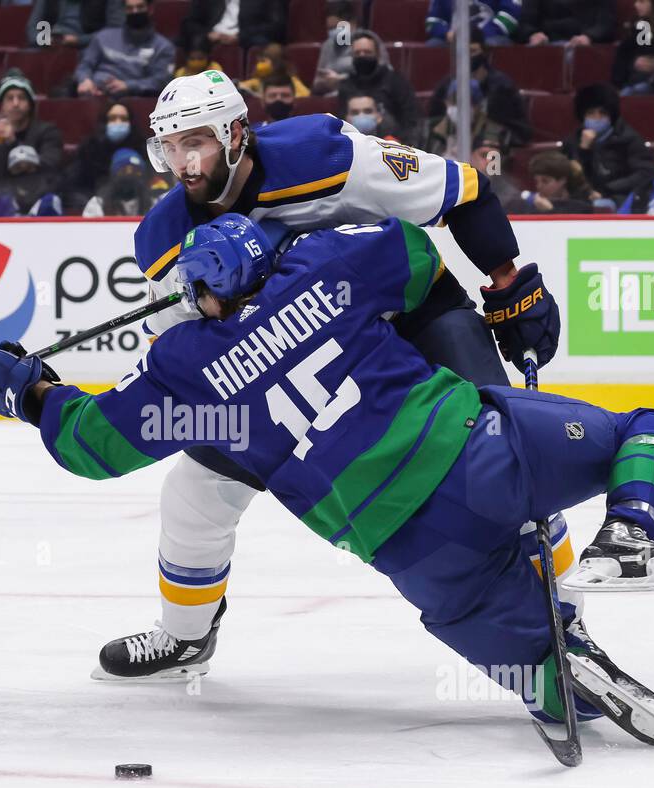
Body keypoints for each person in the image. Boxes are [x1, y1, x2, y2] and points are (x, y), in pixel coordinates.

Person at [0, 213, 654, 752]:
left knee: (527, 663)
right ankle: (630, 529)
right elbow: (415, 255)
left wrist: (30, 392)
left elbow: (94, 447)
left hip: (412, 553)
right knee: (652, 428)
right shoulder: (326, 266)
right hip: (481, 458)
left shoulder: (184, 368)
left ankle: (554, 671)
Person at [103, 70, 569, 679]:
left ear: (237, 132)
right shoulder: (163, 238)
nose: (183, 163)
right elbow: (188, 345)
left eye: (198, 142)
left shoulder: (327, 154)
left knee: (506, 449)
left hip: (408, 318)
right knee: (193, 496)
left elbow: (465, 193)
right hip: (291, 361)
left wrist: (509, 285)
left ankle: (564, 617)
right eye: (171, 146)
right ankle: (185, 637)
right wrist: (205, 310)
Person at [429, 31, 531, 148]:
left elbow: (517, 133)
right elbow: (433, 120)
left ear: (484, 51)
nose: (467, 57)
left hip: (492, 148)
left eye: (472, 51)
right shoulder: (446, 84)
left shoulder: (501, 86)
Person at [561, 83, 653, 212]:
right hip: (582, 198)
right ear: (582, 115)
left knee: (600, 206)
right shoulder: (572, 141)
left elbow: (644, 173)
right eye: (591, 113)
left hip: (620, 197)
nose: (597, 118)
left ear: (611, 115)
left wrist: (607, 189)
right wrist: (584, 151)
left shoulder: (629, 139)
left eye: (602, 113)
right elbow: (568, 175)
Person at [0, 70, 64, 216]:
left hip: (40, 197)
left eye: (21, 98)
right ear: (2, 106)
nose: (16, 103)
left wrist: (12, 142)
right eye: (10, 98)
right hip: (6, 200)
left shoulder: (48, 132)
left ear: (30, 104)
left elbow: (50, 164)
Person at [74, 0, 175, 98]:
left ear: (150, 9)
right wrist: (85, 80)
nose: (135, 12)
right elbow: (85, 65)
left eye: (140, 7)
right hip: (94, 94)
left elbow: (161, 81)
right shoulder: (103, 36)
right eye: (129, 8)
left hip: (134, 100)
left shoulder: (163, 47)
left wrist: (128, 86)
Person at [337, 31, 419, 143]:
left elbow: (412, 119)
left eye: (367, 52)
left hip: (395, 144)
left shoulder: (395, 81)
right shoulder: (346, 86)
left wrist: (405, 145)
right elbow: (341, 121)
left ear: (378, 54)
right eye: (357, 53)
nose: (362, 56)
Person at [65, 100, 148, 211]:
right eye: (113, 118)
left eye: (123, 119)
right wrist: (93, 203)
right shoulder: (89, 148)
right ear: (104, 122)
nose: (118, 122)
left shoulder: (142, 148)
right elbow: (74, 184)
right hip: (97, 208)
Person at [314, 1, 381, 96]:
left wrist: (341, 79)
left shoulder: (368, 39)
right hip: (332, 98)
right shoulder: (327, 45)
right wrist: (325, 82)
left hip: (363, 95)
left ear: (352, 23)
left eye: (338, 27)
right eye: (330, 29)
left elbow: (382, 75)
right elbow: (316, 83)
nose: (334, 32)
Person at [180, 0, 289, 51]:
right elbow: (189, 23)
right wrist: (208, 34)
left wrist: (240, 37)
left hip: (248, 39)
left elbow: (277, 26)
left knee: (265, 45)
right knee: (194, 41)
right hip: (209, 39)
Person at [509, 149, 593, 213]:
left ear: (562, 180)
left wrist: (550, 211)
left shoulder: (581, 206)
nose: (539, 186)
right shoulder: (529, 206)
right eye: (537, 181)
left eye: (545, 181)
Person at [82, 147, 160, 216]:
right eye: (124, 171)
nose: (129, 175)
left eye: (135, 171)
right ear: (114, 174)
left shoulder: (154, 203)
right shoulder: (98, 203)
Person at [25, 0, 123, 48]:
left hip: (88, 47)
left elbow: (114, 31)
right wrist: (46, 40)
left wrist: (80, 41)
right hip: (49, 47)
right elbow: (32, 28)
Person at [426, 0, 522, 47]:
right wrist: (446, 34)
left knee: (488, 45)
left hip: (489, 37)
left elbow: (509, 19)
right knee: (433, 45)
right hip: (454, 38)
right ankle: (444, 85)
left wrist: (476, 35)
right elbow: (432, 21)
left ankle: (488, 84)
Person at [519, 0, 617, 45]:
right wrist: (532, 34)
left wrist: (589, 37)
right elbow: (525, 22)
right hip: (547, 43)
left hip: (586, 45)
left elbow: (606, 22)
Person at [238, 43, 310, 99]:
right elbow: (241, 86)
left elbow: (306, 95)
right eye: (259, 61)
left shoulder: (290, 80)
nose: (259, 65)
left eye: (263, 61)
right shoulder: (259, 81)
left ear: (277, 63)